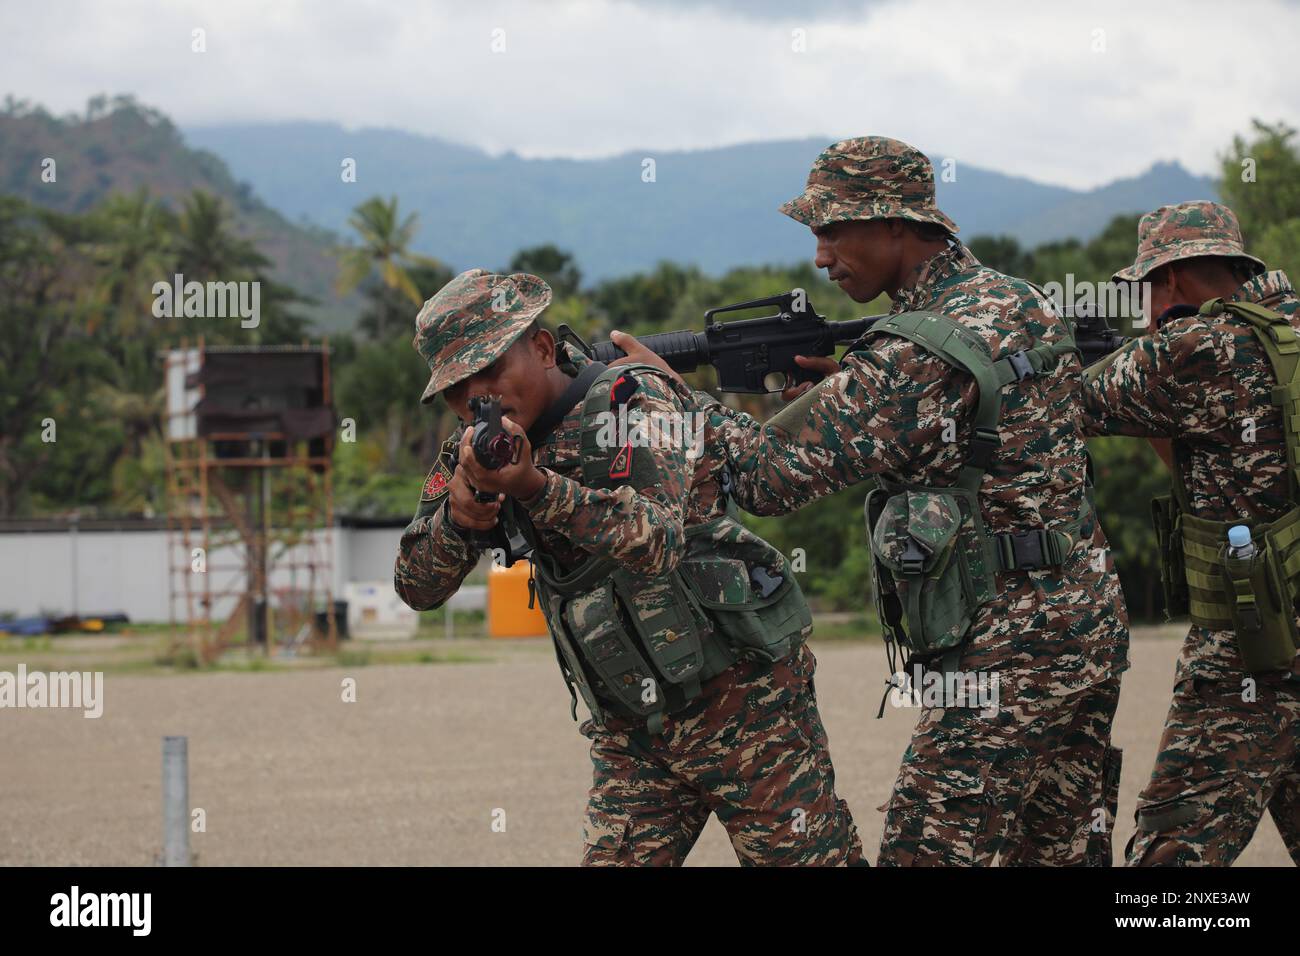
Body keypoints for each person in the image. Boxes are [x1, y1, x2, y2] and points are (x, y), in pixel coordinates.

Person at [616, 136, 1130, 865]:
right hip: (1087, 630)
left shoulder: (905, 358)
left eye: (832, 231)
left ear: (897, 225)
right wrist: (848, 396)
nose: (821, 257)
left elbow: (767, 480)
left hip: (1002, 659)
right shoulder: (1019, 300)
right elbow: (968, 434)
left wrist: (672, 395)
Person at [394, 267, 864, 866]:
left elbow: (657, 541)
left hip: (744, 705)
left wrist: (535, 487)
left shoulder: (631, 397)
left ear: (541, 348)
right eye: (458, 389)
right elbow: (415, 586)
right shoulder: (473, 452)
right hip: (632, 729)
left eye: (491, 370)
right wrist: (462, 518)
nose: (477, 399)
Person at [1081, 200, 1300, 865]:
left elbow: (1047, 407)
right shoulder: (1284, 334)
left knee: (1171, 862)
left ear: (1169, 282)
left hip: (1253, 651)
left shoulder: (1193, 350)